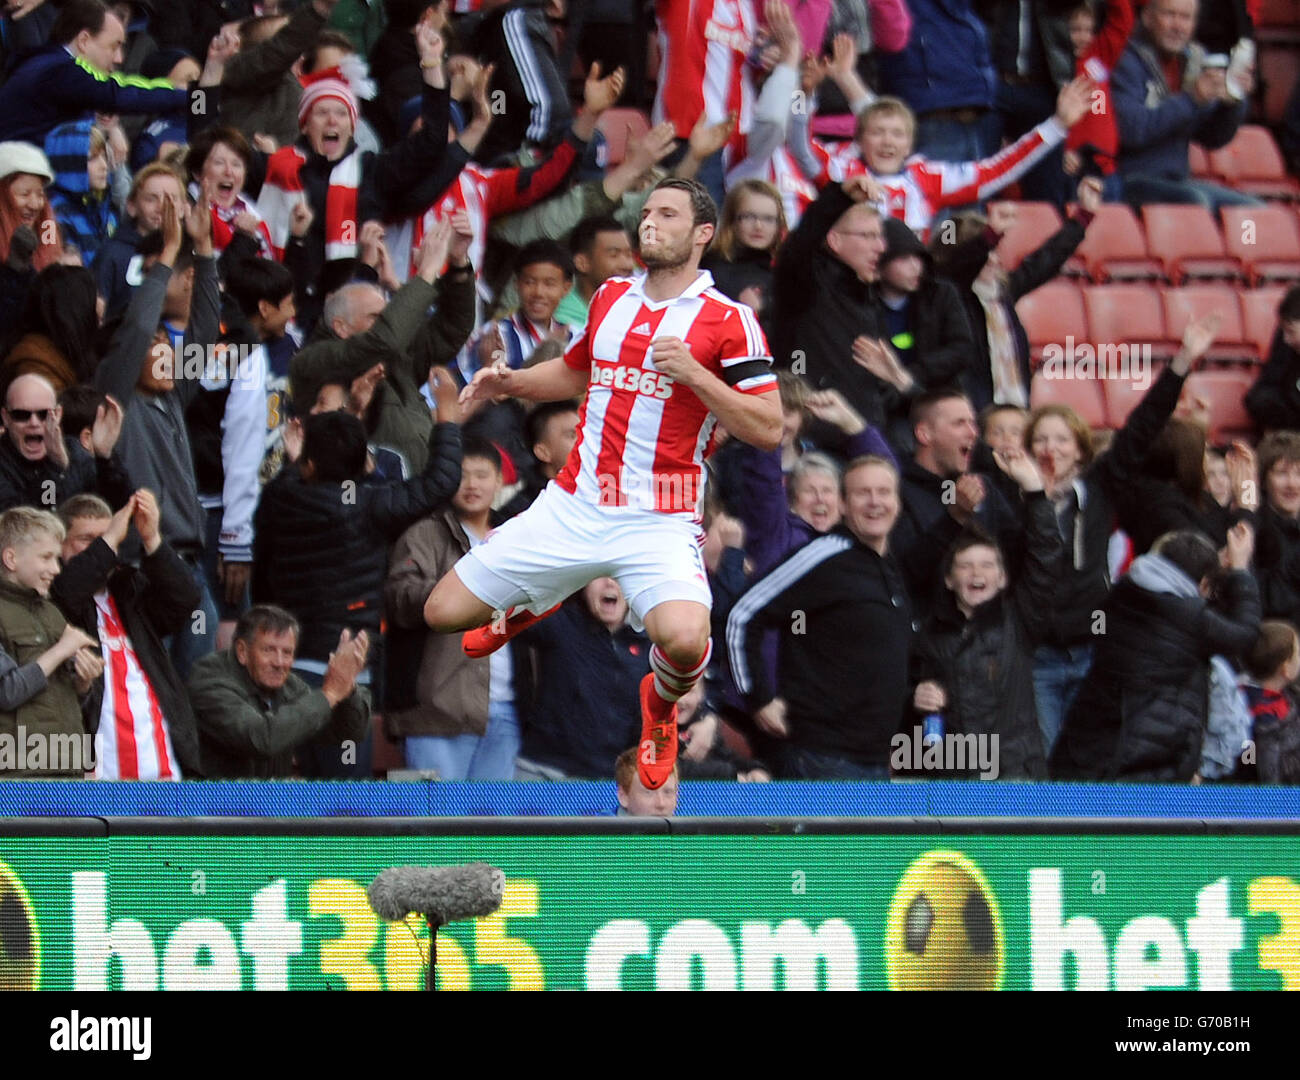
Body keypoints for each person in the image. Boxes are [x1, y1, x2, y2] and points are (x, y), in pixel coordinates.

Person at [425, 176, 783, 791]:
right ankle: (529, 604)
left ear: (702, 234)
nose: (650, 222)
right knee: (442, 613)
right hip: (576, 503)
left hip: (659, 519)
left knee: (687, 638)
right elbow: (573, 372)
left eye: (667, 215)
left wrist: (696, 375)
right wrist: (509, 382)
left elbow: (769, 427)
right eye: (646, 213)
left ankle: (661, 710)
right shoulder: (612, 295)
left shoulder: (730, 321)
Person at [252, 406, 463, 776]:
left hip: (289, 667)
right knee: (346, 810)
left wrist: (294, 461)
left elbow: (288, 484)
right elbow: (440, 482)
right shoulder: (372, 505)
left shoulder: (279, 497)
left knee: (286, 808)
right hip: (350, 670)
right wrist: (446, 422)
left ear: (311, 464)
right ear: (364, 464)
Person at [95, 190, 221, 677]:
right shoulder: (116, 398)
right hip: (146, 569)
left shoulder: (171, 395)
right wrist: (167, 255)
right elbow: (134, 329)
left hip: (192, 569)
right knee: (159, 694)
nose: (168, 351)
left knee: (198, 704)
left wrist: (204, 251)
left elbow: (206, 331)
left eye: (168, 344)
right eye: (155, 346)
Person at [725, 455, 912, 778]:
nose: (874, 502)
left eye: (884, 492)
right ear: (842, 503)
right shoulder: (825, 554)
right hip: (822, 758)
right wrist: (759, 698)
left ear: (897, 502)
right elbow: (743, 615)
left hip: (876, 759)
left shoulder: (889, 568)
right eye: (862, 493)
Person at [910, 447, 1062, 780]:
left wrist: (1035, 493)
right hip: (955, 784)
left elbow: (1046, 557)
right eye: (965, 566)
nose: (976, 574)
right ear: (949, 579)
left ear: (1003, 577)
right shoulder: (928, 635)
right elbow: (909, 731)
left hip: (1016, 781)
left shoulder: (1020, 621)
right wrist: (915, 700)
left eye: (987, 565)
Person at [385, 439, 528, 778]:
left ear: (500, 481)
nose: (473, 484)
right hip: (437, 711)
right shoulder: (425, 534)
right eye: (463, 475)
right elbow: (399, 598)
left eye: (482, 474)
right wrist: (457, 593)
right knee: (437, 826)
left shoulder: (515, 538)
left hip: (507, 708)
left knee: (493, 828)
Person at [289, 216, 476, 476]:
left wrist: (458, 265)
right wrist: (425, 275)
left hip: (421, 493)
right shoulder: (316, 358)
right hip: (362, 497)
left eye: (386, 314)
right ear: (341, 327)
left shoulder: (394, 357)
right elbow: (382, 340)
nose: (387, 321)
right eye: (376, 317)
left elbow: (450, 331)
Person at [808, 76, 1091, 237]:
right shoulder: (841, 170)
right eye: (878, 132)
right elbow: (796, 142)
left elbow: (998, 169)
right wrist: (803, 91)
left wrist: (1056, 126)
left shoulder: (927, 178)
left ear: (909, 145)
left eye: (897, 134)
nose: (887, 142)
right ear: (860, 140)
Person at [51, 491, 202, 779]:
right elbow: (66, 591)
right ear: (60, 546)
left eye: (109, 537)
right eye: (88, 539)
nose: (102, 546)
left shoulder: (130, 590)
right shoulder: (54, 596)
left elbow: (186, 597)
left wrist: (152, 539)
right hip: (98, 775)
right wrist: (108, 539)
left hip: (162, 767)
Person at [930, 180, 1101, 412]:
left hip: (1016, 411)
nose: (993, 259)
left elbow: (1046, 259)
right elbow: (956, 270)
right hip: (972, 415)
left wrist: (1082, 218)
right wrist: (989, 236)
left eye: (994, 251)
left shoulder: (1004, 293)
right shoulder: (950, 296)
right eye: (985, 252)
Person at [0, 0, 229, 146]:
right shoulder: (60, 71)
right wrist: (190, 96)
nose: (119, 58)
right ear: (84, 40)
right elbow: (122, 92)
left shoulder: (47, 65)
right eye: (114, 45)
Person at [186, 604, 371, 779]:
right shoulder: (209, 680)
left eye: (287, 652)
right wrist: (329, 694)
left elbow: (347, 732)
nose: (279, 662)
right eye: (269, 650)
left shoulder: (289, 685)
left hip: (268, 806)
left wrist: (347, 687)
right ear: (242, 651)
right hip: (212, 805)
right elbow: (262, 739)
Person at [1111, 0, 1260, 212]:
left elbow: (1213, 138)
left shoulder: (1194, 59)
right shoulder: (1124, 60)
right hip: (1129, 180)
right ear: (1147, 17)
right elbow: (1132, 131)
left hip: (1177, 181)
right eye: (1170, 15)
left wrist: (1232, 100)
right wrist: (1192, 99)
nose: (1178, 26)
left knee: (1254, 212)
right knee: (1195, 204)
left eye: (1186, 17)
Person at [766, 174, 889, 426]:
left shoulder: (868, 295)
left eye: (879, 236)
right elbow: (798, 248)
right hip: (813, 435)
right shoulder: (807, 283)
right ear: (834, 240)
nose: (880, 247)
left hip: (862, 433)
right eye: (867, 236)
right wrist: (840, 196)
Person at [0, 507, 103, 778]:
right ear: (10, 558)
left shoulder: (52, 613)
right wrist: (60, 651)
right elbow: (6, 692)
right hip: (18, 775)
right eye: (46, 558)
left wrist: (83, 683)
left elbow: (64, 697)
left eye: (57, 559)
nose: (55, 569)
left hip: (68, 769)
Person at [512, 577, 649, 780]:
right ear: (584, 586)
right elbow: (508, 614)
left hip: (601, 780)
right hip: (541, 770)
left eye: (618, 576)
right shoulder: (561, 621)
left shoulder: (646, 641)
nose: (610, 583)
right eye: (600, 575)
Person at [868, 216, 976, 449]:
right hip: (887, 408)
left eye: (918, 258)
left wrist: (912, 376)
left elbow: (962, 349)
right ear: (880, 263)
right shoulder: (862, 301)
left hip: (936, 398)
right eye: (904, 259)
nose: (915, 267)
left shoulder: (941, 294)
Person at [0, 374, 131, 514]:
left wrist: (104, 459)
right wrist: (54, 469)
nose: (34, 423)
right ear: (6, 418)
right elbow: (28, 522)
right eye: (21, 415)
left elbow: (120, 509)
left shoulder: (76, 452)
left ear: (58, 414)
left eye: (44, 414)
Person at [92, 162, 187, 319]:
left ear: (184, 208)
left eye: (171, 199)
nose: (162, 207)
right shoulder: (112, 254)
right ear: (131, 206)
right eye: (151, 199)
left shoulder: (192, 253)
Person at [1061, 0, 1135, 202]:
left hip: (1107, 172)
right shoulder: (1054, 70)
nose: (1083, 37)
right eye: (1075, 30)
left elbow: (1122, 21)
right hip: (1073, 171)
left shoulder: (1098, 58)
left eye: (1089, 30)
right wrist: (1061, 153)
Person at [1, 265, 101, 391]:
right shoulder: (37, 369)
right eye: (92, 304)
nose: (99, 310)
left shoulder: (69, 354)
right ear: (75, 312)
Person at [0, 143, 64, 328]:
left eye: (40, 194)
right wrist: (14, 271)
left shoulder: (49, 230)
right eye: (25, 194)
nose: (35, 204)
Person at [700, 180, 786, 310]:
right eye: (748, 217)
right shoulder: (708, 269)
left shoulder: (787, 273)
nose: (758, 226)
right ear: (732, 220)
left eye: (768, 219)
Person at [44, 120, 119, 266]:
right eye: (92, 158)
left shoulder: (107, 210)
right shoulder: (53, 214)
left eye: (104, 157)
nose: (104, 166)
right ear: (69, 163)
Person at [1240, 620, 1300, 785]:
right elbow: (1266, 767)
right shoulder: (1264, 717)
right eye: (1297, 654)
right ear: (1285, 669)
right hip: (1281, 798)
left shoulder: (1287, 695)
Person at [555, 216, 637, 328]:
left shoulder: (639, 310)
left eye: (629, 255)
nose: (627, 265)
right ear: (582, 263)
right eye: (614, 255)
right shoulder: (558, 321)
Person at [1244, 286, 1300, 435]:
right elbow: (1262, 392)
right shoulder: (1285, 344)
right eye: (1285, 331)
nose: (1286, 339)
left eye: (1291, 332)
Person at [614, 745, 679, 815]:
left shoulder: (686, 825)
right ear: (623, 797)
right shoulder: (602, 825)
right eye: (648, 792)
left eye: (667, 792)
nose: (661, 803)